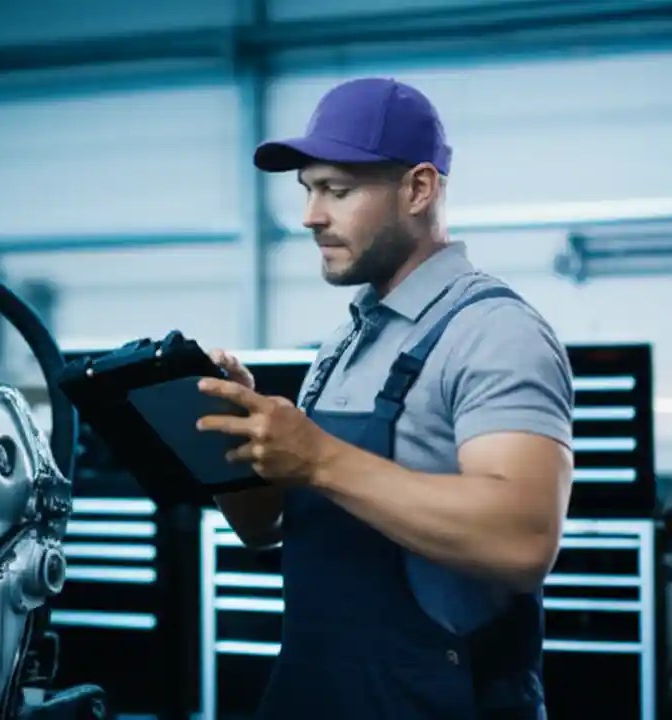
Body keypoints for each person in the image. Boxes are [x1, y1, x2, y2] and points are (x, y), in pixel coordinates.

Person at [197, 77, 575, 720]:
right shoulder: (346, 338)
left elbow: (522, 540)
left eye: (337, 190)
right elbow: (268, 530)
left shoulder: (495, 332)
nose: (311, 215)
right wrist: (237, 440)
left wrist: (317, 457)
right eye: (308, 190)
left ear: (419, 189)